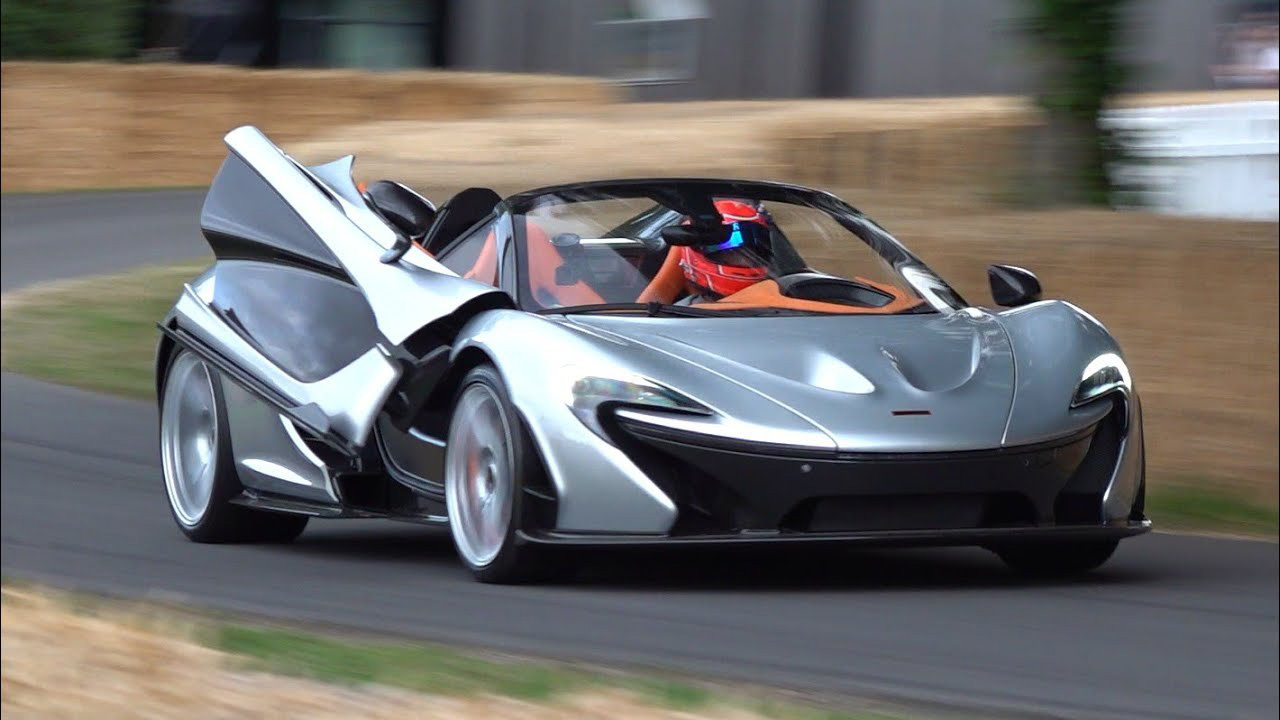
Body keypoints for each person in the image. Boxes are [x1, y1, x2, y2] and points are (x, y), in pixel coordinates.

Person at [638, 199, 774, 305]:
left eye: (752, 250)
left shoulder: (784, 290)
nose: (744, 260)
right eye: (729, 251)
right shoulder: (682, 313)